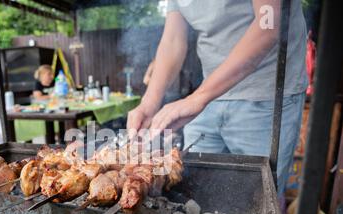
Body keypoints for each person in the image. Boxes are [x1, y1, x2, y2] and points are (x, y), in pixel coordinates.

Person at [127, 0, 308, 195]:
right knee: (193, 195)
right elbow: (172, 40)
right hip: (210, 97)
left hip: (266, 96)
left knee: (258, 199)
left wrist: (198, 98)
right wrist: (148, 103)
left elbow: (268, 25)